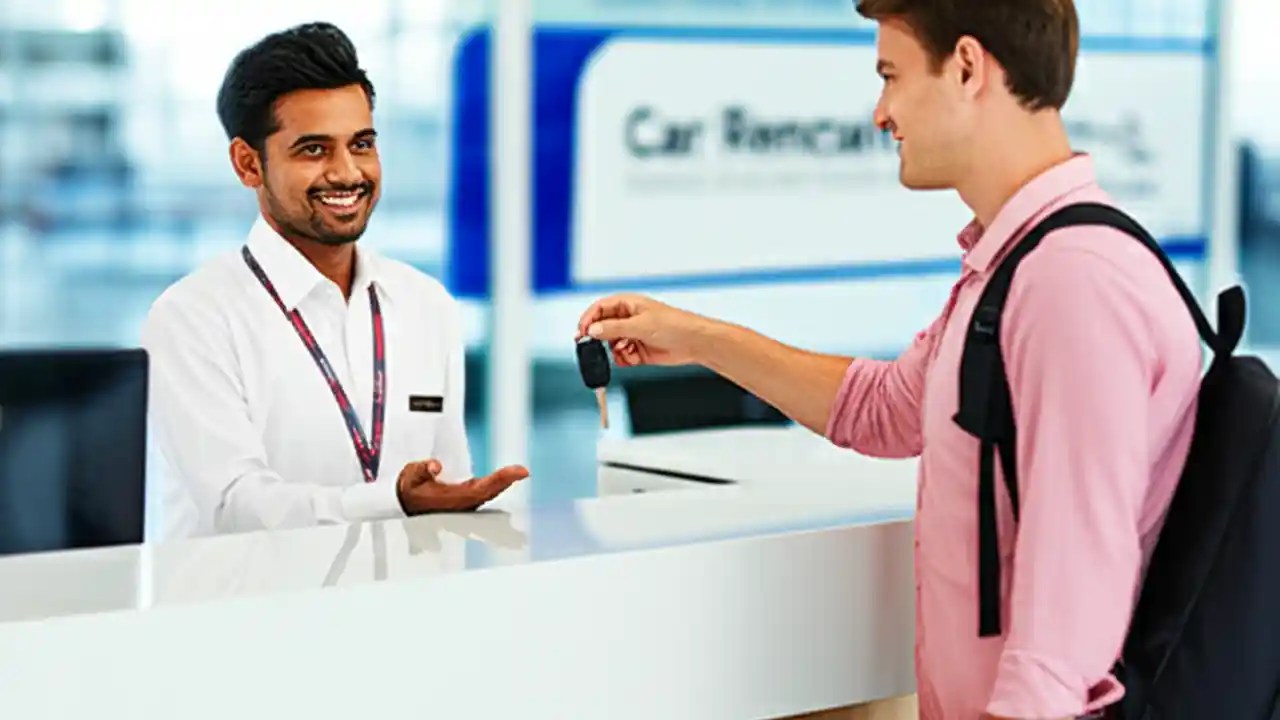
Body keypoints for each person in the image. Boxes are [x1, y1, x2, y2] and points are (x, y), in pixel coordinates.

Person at [576, 2, 1201, 719]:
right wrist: (696, 339)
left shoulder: (1071, 281)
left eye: (891, 76)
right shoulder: (1018, 264)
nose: (881, 113)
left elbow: (1069, 616)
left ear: (966, 67)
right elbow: (885, 410)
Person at [143, 22, 527, 540]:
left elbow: (447, 492)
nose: (347, 173)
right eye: (314, 150)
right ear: (248, 164)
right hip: (249, 593)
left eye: (362, 144)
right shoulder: (193, 318)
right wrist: (391, 500)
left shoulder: (425, 304)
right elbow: (236, 505)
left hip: (406, 591)